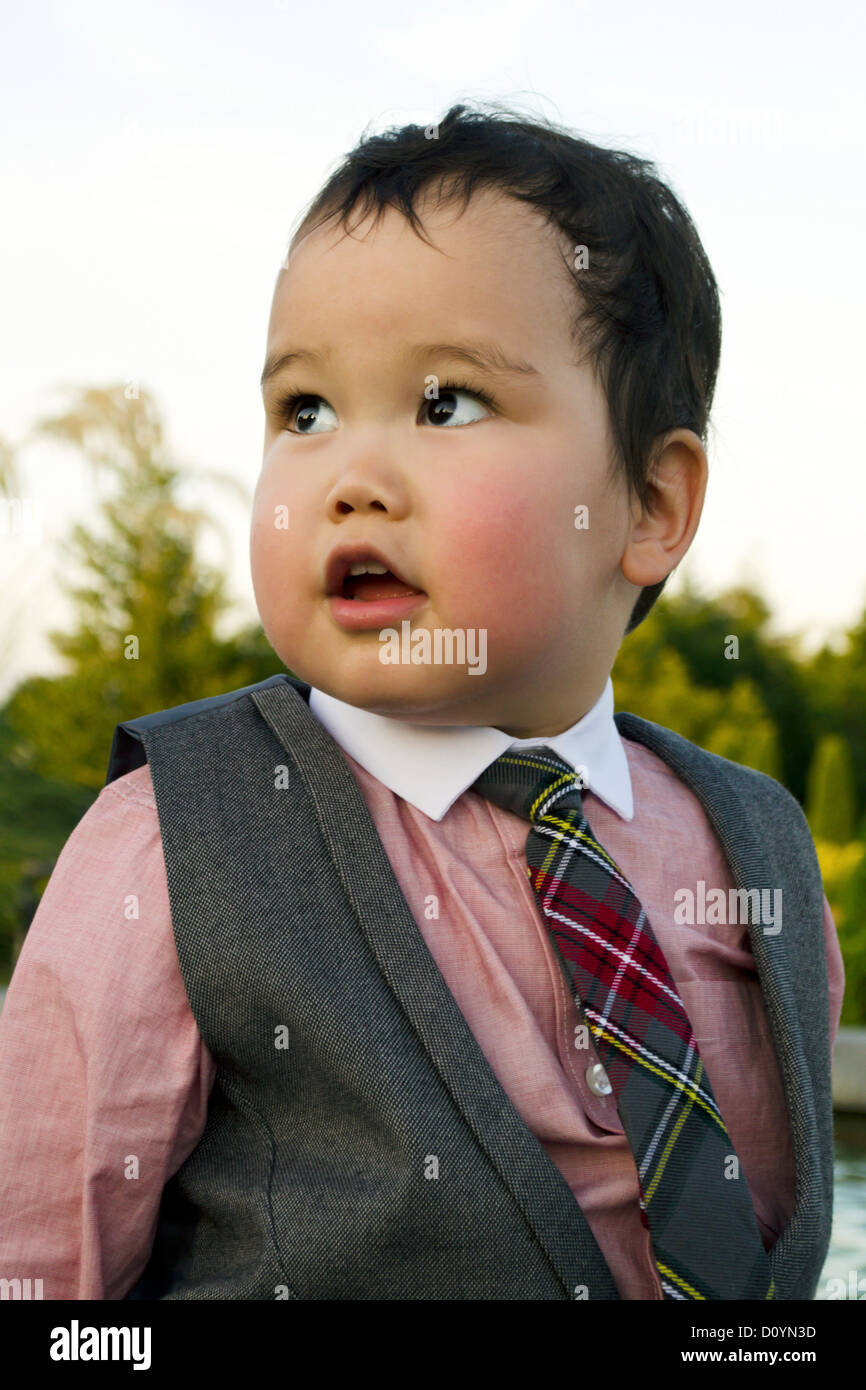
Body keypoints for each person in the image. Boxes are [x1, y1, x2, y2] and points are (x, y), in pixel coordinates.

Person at [0, 102, 844, 1301]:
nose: (349, 479)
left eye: (443, 402)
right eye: (303, 410)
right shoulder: (174, 841)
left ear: (650, 507)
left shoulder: (750, 843)